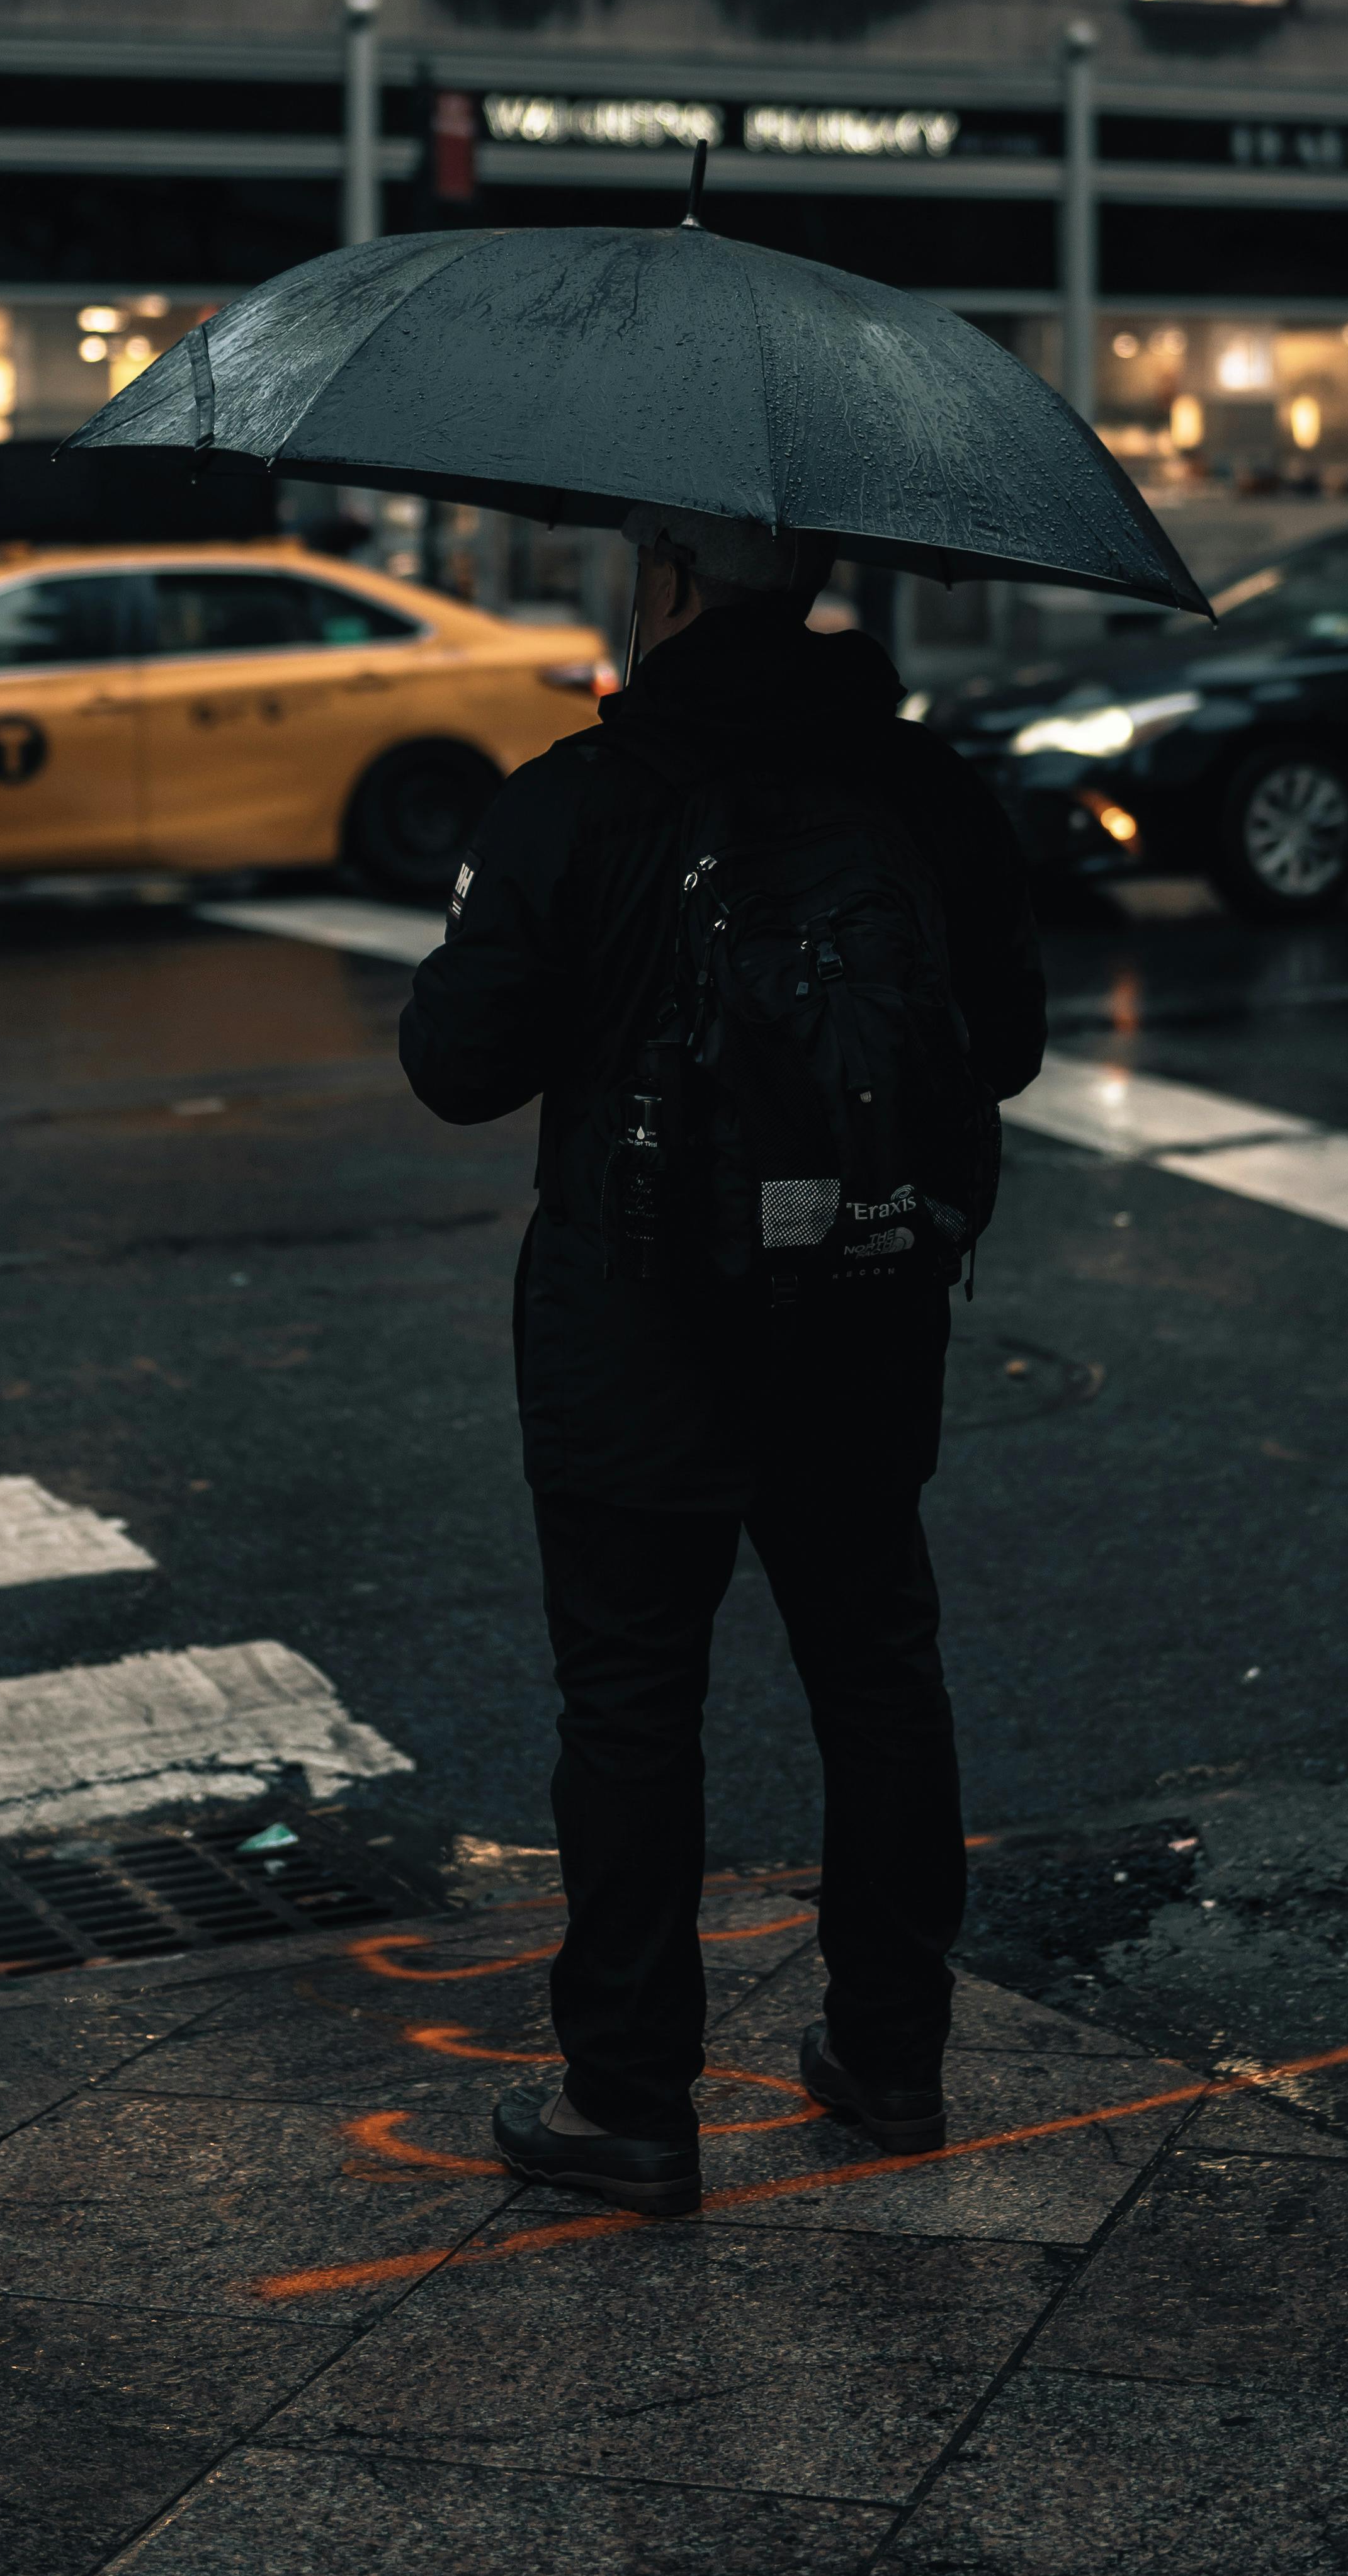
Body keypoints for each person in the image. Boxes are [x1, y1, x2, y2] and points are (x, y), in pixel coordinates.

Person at [398, 502, 1047, 2217]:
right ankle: (891, 2052)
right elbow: (1015, 1045)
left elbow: (455, 1067)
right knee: (878, 1674)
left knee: (630, 1707)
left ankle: (630, 2103)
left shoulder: (581, 800)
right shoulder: (922, 790)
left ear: (666, 576)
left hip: (638, 1330)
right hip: (863, 1307)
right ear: (821, 575)